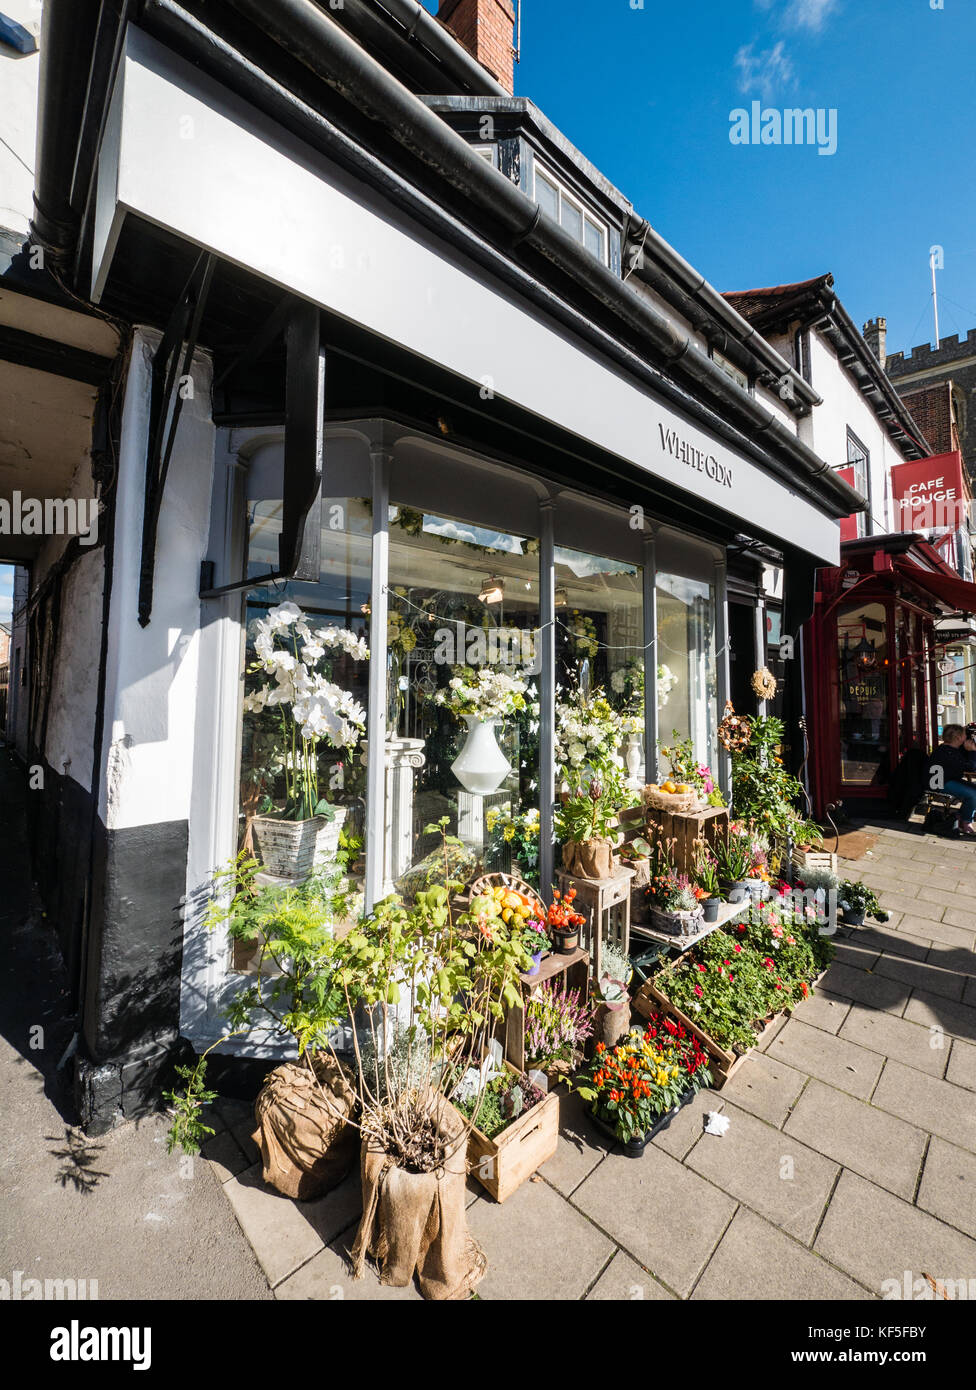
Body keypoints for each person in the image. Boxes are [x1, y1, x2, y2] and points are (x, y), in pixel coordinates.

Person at [928, 724, 976, 837]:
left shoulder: (948, 748)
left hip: (945, 780)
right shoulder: (948, 752)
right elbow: (970, 767)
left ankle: (960, 816)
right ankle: (965, 821)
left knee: (974, 790)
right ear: (958, 738)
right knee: (974, 793)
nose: (967, 738)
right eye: (965, 735)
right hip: (939, 784)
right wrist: (973, 751)